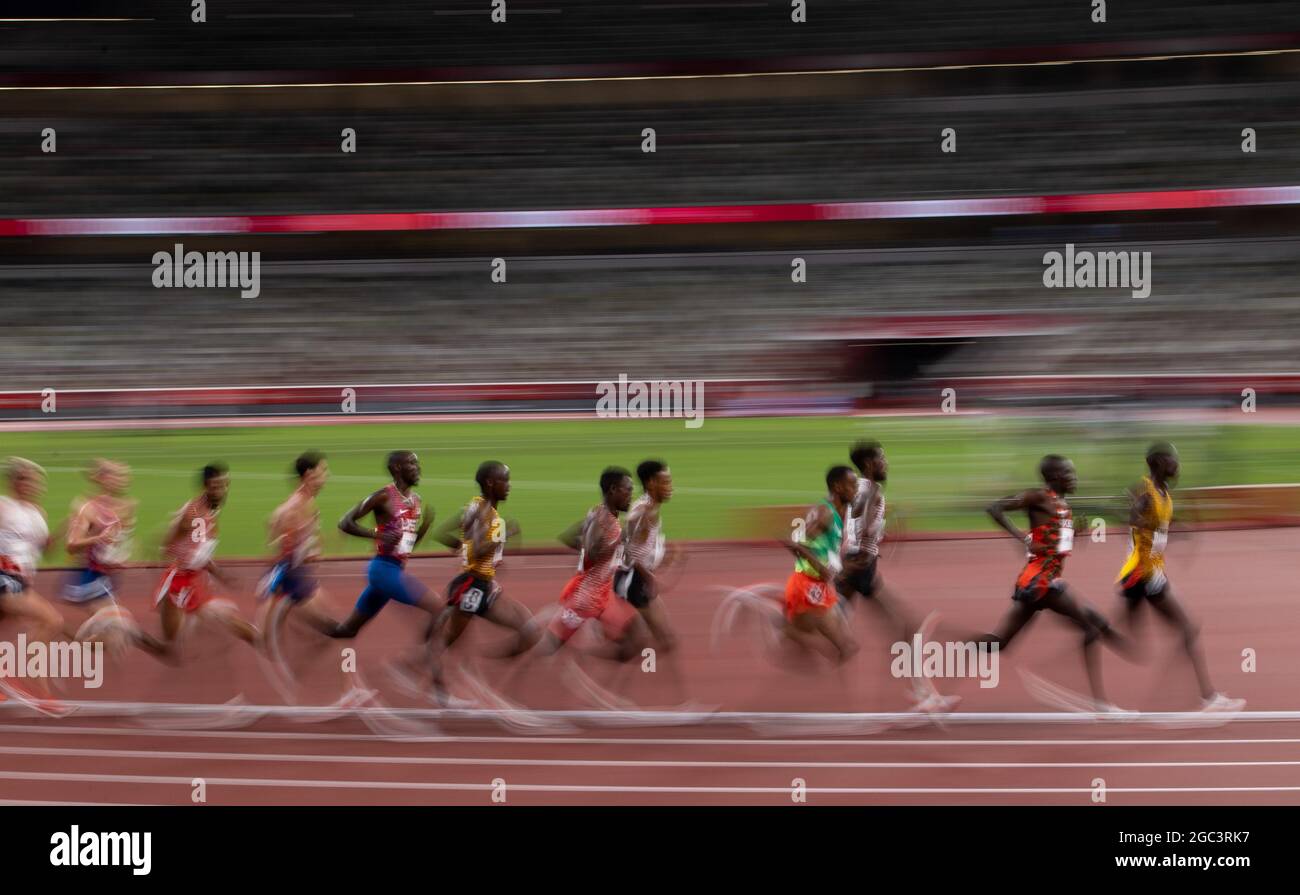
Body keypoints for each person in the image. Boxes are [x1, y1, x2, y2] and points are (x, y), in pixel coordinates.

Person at [973, 455, 1132, 713]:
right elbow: (994, 508)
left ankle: (951, 655)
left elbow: (1054, 546)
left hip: (1042, 582)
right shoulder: (1038, 497)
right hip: (1040, 583)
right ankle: (1101, 705)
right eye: (1070, 473)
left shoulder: (1063, 506)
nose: (1075, 477)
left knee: (999, 643)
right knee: (1091, 627)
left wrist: (1075, 535)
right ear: (1056, 477)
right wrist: (1023, 539)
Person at [1116, 443, 1244, 713]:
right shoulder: (1148, 492)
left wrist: (1177, 528)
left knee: (1134, 643)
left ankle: (1089, 634)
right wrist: (1150, 525)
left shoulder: (1164, 495)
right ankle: (1206, 698)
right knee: (1186, 629)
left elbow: (1154, 523)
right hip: (1142, 573)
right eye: (1174, 460)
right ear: (1161, 462)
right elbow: (1132, 517)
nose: (1178, 465)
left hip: (1149, 573)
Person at [840, 441, 954, 712]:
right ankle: (923, 694)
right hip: (858, 570)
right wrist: (870, 529)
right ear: (869, 464)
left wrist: (883, 534)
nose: (886, 463)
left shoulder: (864, 488)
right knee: (909, 628)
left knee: (835, 626)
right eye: (882, 459)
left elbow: (857, 526)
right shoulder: (869, 491)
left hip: (861, 569)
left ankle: (923, 693)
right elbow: (859, 524)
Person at [258, 452, 371, 709]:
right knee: (340, 631)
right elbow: (278, 534)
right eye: (323, 470)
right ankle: (344, 689)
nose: (327, 475)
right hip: (292, 580)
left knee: (334, 632)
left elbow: (304, 545)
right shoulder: (294, 507)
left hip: (300, 577)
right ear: (309, 475)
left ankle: (335, 686)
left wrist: (321, 545)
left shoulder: (308, 505)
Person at [329, 450, 442, 639]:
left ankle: (311, 626)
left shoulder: (415, 501)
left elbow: (406, 548)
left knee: (347, 630)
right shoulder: (384, 496)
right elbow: (345, 522)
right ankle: (417, 662)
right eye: (412, 464)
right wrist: (376, 534)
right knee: (439, 608)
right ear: (398, 468)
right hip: (382, 569)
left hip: (395, 570)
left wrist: (423, 528)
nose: (418, 468)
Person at [156, 463, 260, 649]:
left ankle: (259, 639)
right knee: (170, 644)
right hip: (180, 581)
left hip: (193, 578)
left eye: (225, 485)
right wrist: (192, 558)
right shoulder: (195, 514)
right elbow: (169, 547)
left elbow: (197, 551)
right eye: (216, 486)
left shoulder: (209, 510)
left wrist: (218, 573)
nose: (222, 491)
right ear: (205, 486)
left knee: (218, 617)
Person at [0, 458, 73, 715]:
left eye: (37, 480)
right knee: (51, 621)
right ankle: (38, 691)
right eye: (30, 480)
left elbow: (45, 549)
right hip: (6, 577)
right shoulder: (3, 507)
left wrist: (66, 528)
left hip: (22, 579)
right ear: (16, 482)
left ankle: (40, 695)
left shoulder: (38, 513)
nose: (36, 485)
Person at [781, 465, 859, 664]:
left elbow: (832, 547)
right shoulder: (825, 513)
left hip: (821, 584)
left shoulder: (842, 512)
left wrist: (838, 566)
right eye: (852, 485)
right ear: (838, 487)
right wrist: (822, 568)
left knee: (844, 646)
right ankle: (790, 630)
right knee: (844, 648)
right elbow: (798, 545)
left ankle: (790, 627)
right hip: (807, 583)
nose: (856, 489)